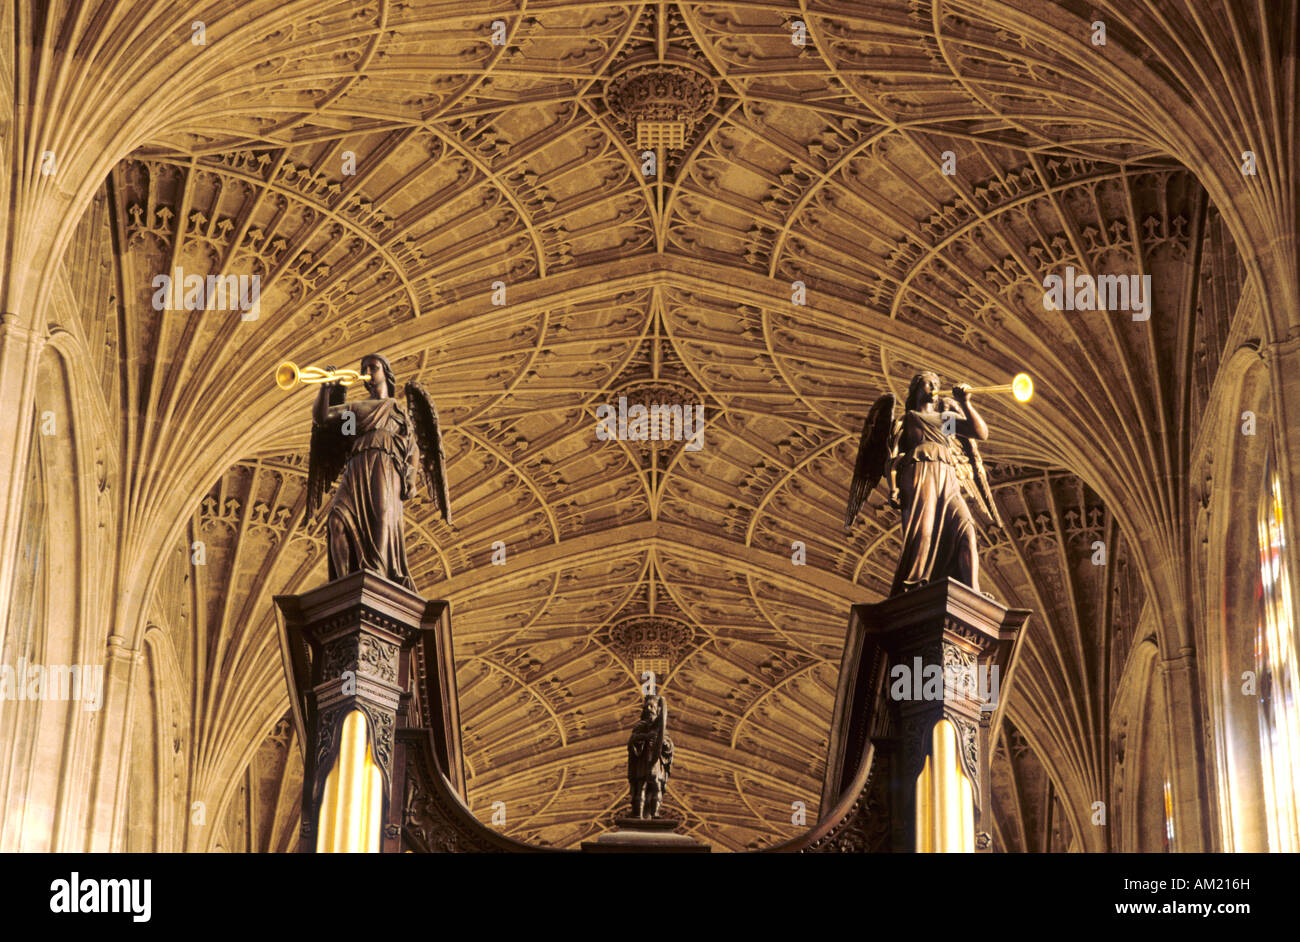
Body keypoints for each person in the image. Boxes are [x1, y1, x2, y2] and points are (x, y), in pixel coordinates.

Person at [312, 354, 420, 589]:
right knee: (336, 521)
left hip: (385, 466)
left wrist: (411, 477)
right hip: (357, 465)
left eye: (373, 367)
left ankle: (377, 575)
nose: (368, 371)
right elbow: (326, 420)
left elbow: (412, 447)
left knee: (381, 517)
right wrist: (325, 390)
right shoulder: (356, 409)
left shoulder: (397, 411)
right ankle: (343, 586)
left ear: (386, 373)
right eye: (364, 368)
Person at [889, 371, 988, 596]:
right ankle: (914, 585)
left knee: (966, 528)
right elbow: (893, 458)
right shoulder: (909, 419)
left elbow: (979, 432)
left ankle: (973, 592)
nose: (934, 387)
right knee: (924, 531)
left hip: (947, 475)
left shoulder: (945, 422)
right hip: (920, 472)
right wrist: (893, 488)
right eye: (928, 383)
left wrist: (964, 403)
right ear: (915, 389)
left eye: (936, 383)